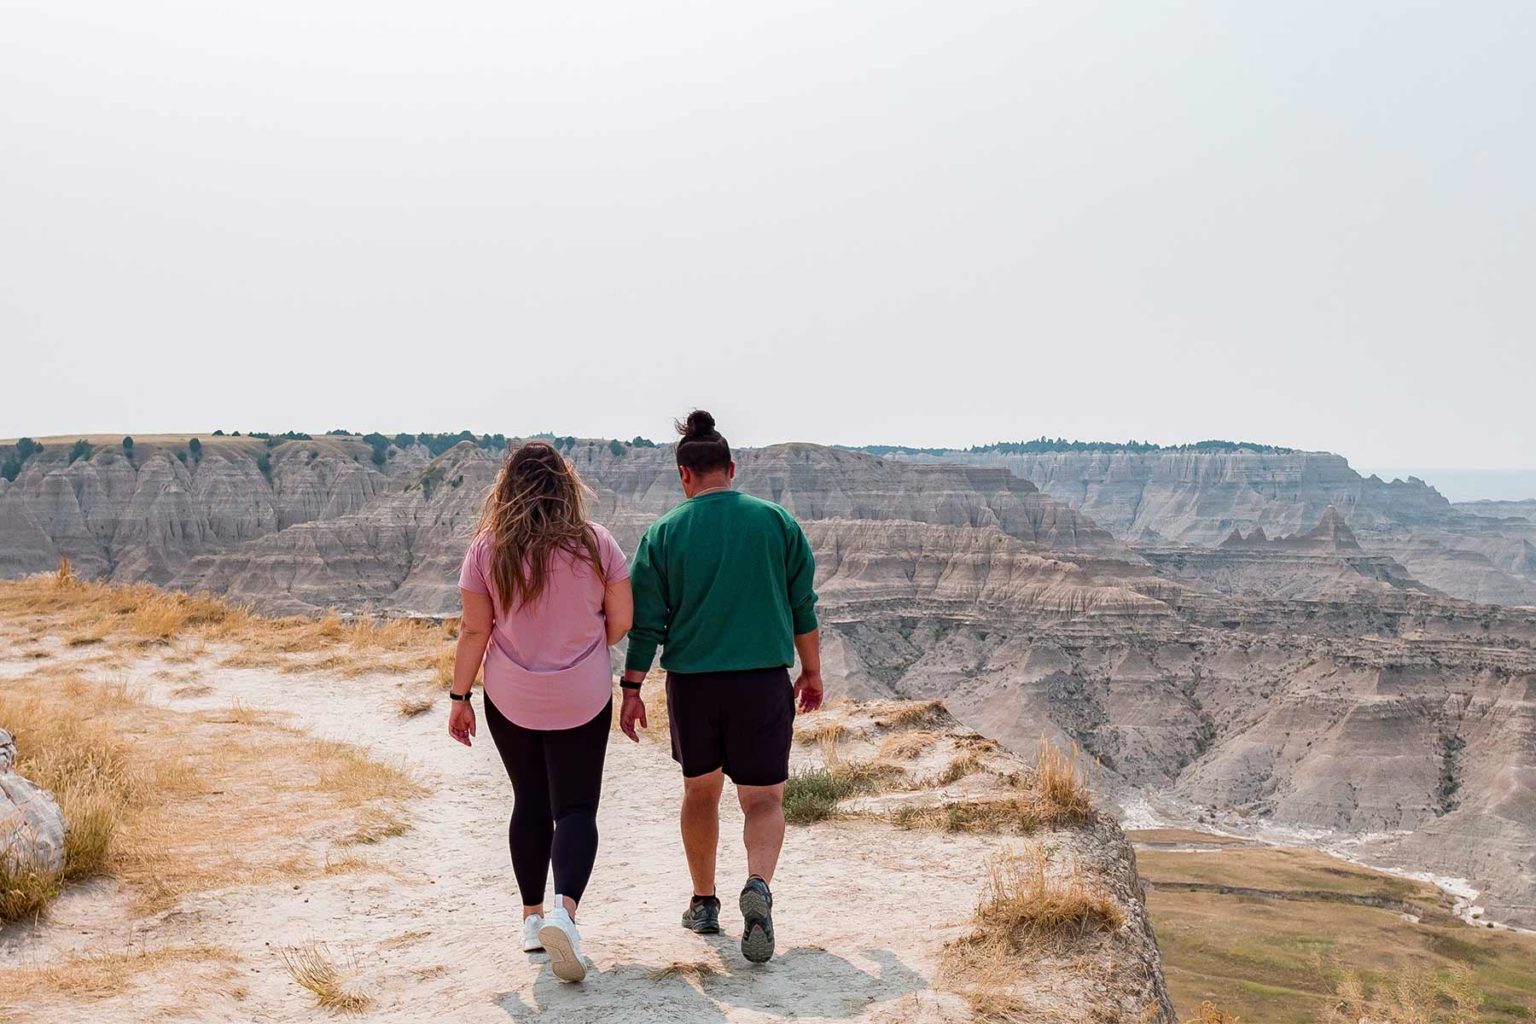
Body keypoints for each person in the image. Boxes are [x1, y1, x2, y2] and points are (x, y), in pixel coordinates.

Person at [619, 410, 823, 964]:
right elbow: (804, 606)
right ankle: (757, 887)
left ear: (684, 475)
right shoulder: (778, 523)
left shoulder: (663, 533)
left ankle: (704, 903)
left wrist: (632, 687)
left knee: (700, 794)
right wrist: (812, 671)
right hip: (762, 682)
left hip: (694, 686)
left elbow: (647, 625)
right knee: (762, 800)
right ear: (731, 468)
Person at [447, 441, 632, 984]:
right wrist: (583, 646)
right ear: (566, 485)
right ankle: (564, 913)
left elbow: (475, 629)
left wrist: (459, 698)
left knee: (528, 800)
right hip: (582, 694)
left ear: (507, 488)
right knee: (575, 809)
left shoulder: (488, 549)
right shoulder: (596, 544)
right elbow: (621, 620)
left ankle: (531, 920)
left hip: (511, 698)